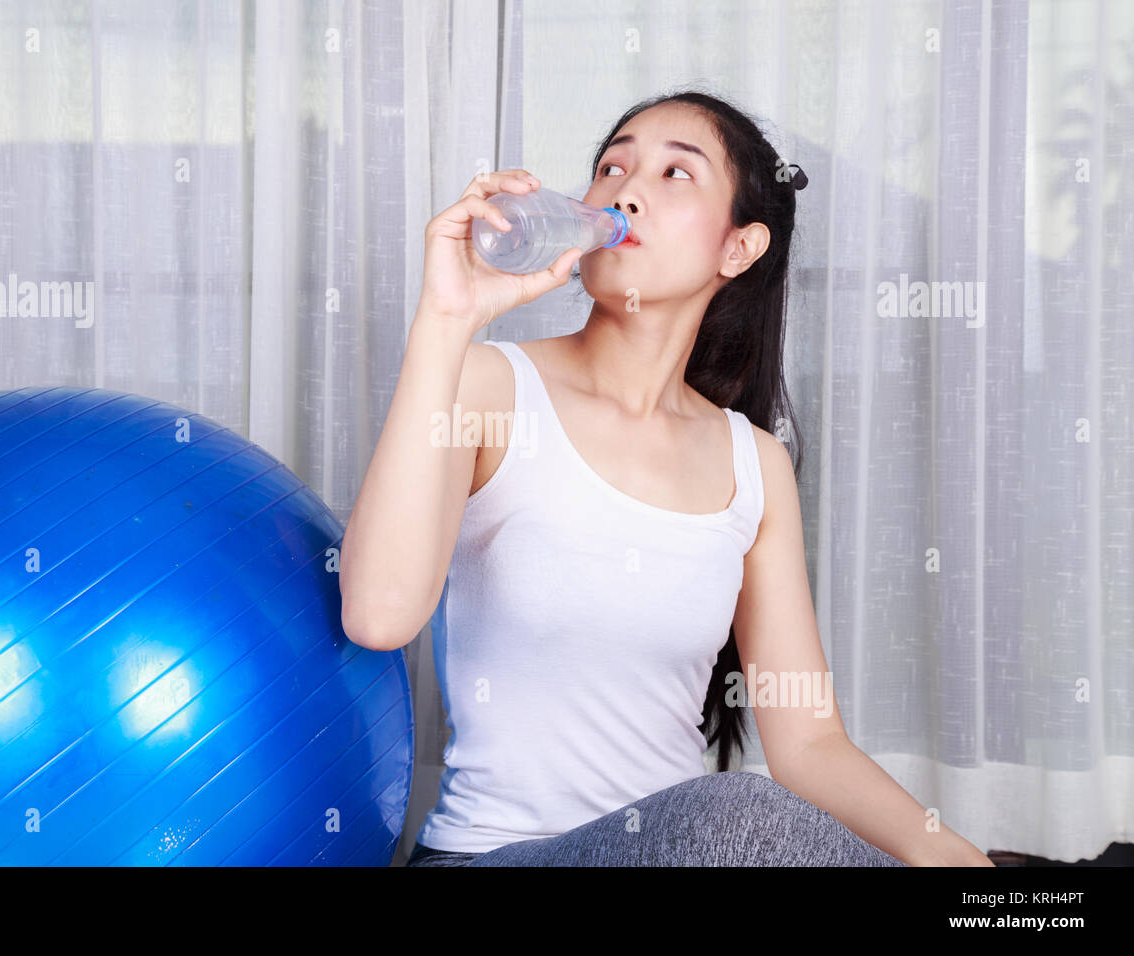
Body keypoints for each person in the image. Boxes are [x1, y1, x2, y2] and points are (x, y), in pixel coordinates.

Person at [340, 89, 993, 867]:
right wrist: (445, 323)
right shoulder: (487, 387)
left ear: (739, 249)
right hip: (497, 855)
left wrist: (962, 866)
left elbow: (810, 742)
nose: (625, 188)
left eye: (676, 174)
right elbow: (378, 617)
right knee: (739, 814)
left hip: (686, 851)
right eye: (610, 166)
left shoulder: (757, 465)